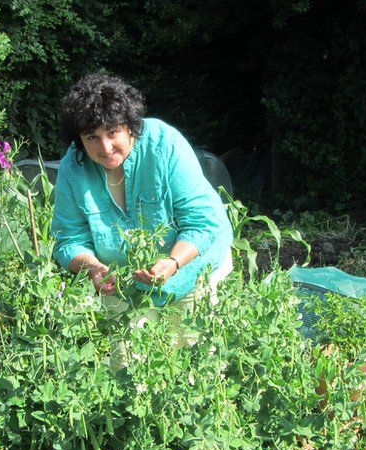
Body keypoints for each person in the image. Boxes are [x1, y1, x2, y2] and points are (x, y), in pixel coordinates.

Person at [51, 73, 234, 309]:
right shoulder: (73, 167)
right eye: (92, 137)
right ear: (79, 139)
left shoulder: (164, 145)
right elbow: (69, 238)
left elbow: (202, 222)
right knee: (126, 346)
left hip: (191, 269)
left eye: (112, 132)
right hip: (121, 284)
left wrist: (173, 262)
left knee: (188, 342)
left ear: (130, 127)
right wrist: (93, 268)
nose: (105, 147)